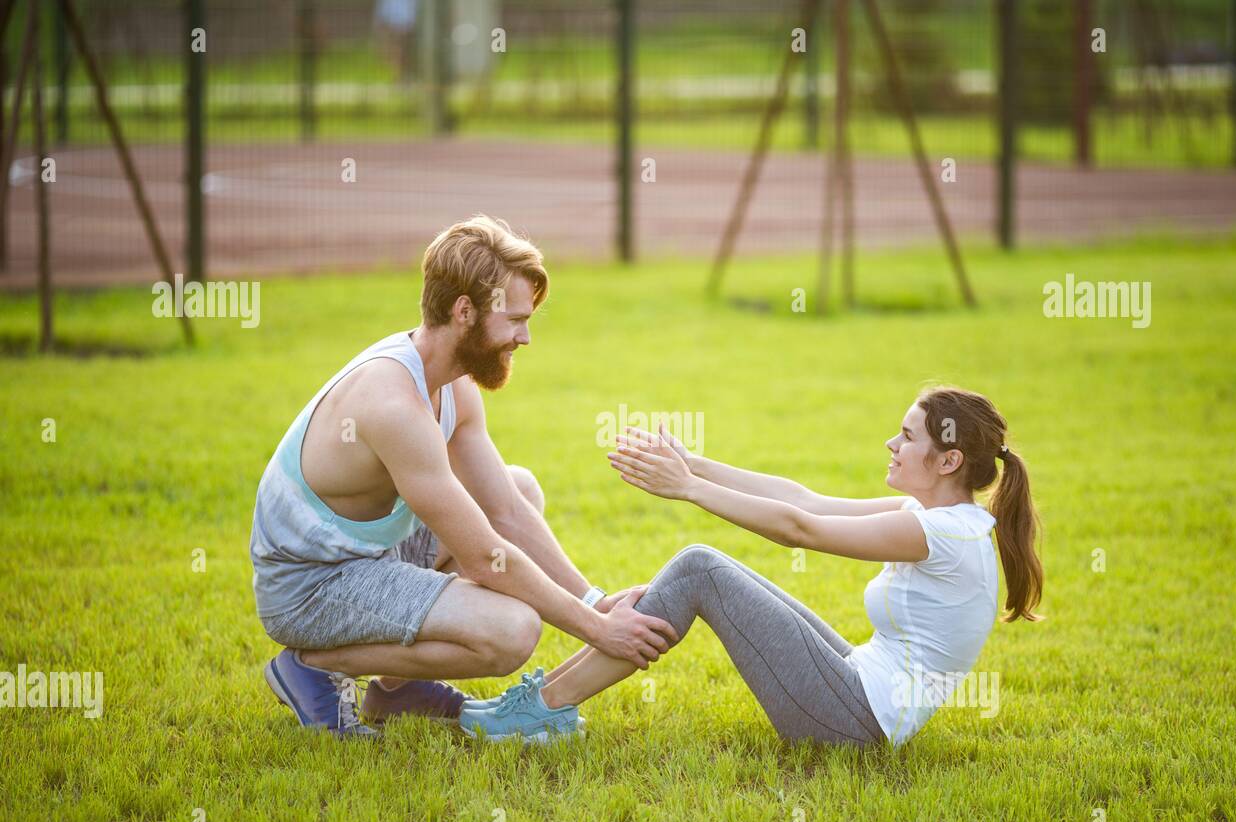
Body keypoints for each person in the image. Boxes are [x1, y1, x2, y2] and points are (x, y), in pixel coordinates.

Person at [251, 215, 676, 739]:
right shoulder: (392, 402)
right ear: (464, 311)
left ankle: (396, 688)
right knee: (511, 632)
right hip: (311, 586)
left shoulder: (451, 383)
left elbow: (506, 511)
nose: (525, 337)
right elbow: (481, 557)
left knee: (520, 486)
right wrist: (599, 632)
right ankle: (315, 667)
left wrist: (594, 601)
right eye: (516, 320)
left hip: (370, 559)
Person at [469, 387, 1042, 748]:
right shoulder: (941, 516)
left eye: (908, 436)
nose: (891, 443)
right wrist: (695, 464)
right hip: (860, 690)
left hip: (855, 720)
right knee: (698, 571)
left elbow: (801, 530)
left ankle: (540, 712)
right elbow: (807, 500)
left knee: (698, 569)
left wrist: (689, 489)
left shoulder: (936, 532)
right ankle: (538, 703)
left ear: (949, 460)